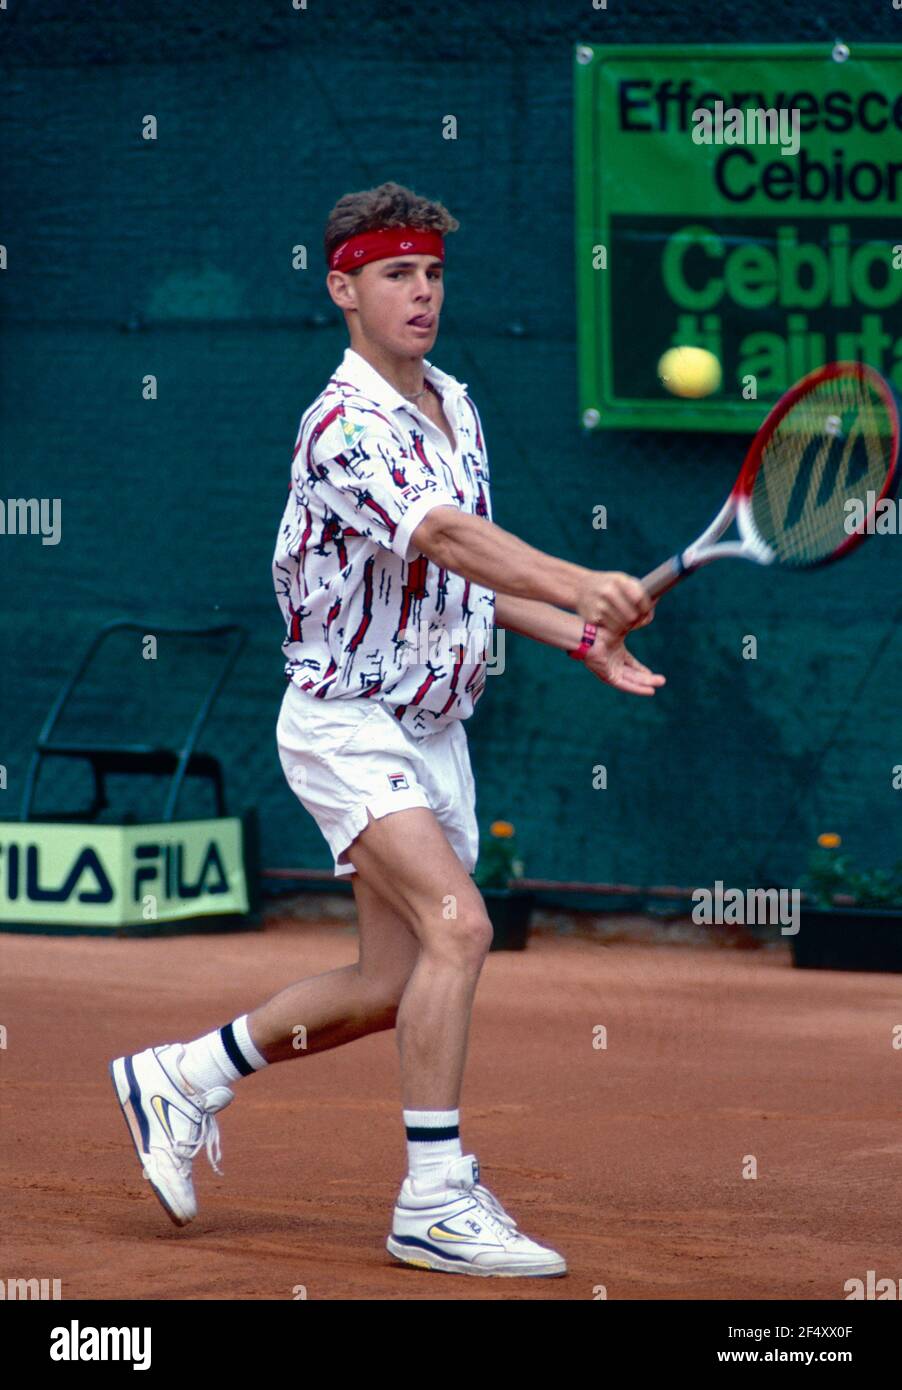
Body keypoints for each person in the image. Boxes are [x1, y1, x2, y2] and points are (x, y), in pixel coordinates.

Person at [110, 180, 664, 1279]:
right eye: (396, 275)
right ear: (343, 288)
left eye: (433, 274)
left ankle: (184, 1075)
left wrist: (572, 630)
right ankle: (432, 1198)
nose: (421, 294)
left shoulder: (453, 405)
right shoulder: (341, 427)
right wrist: (582, 578)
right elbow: (451, 537)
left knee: (384, 982)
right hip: (343, 725)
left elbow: (463, 582)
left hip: (432, 732)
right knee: (461, 928)